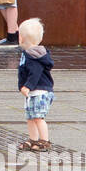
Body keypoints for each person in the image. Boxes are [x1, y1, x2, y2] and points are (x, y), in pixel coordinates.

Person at [16, 17, 54, 152]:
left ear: (21, 38)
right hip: (34, 92)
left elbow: (35, 73)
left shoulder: (33, 56)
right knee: (30, 117)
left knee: (38, 117)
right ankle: (33, 139)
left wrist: (27, 86)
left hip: (40, 91)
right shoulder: (29, 54)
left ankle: (44, 141)